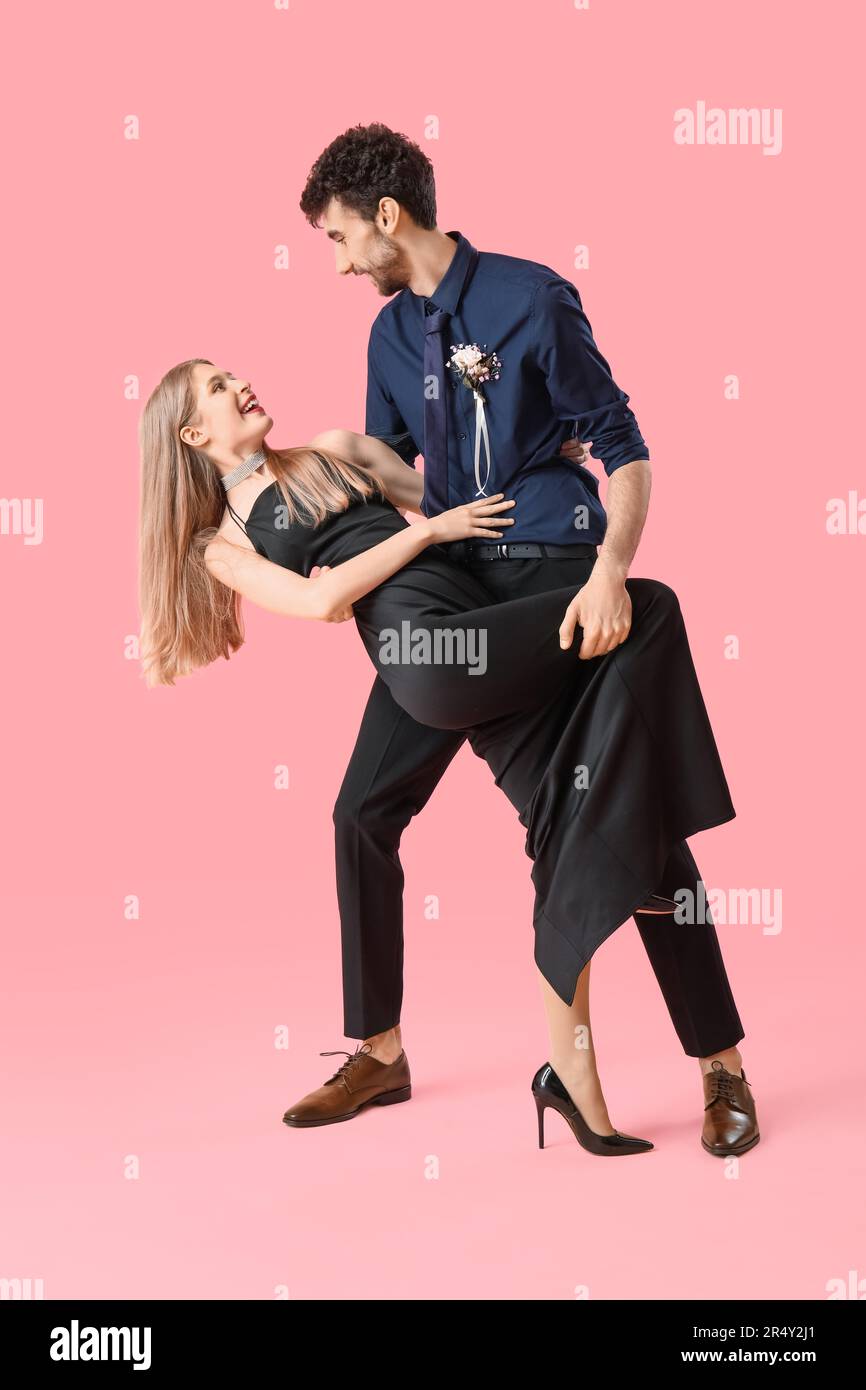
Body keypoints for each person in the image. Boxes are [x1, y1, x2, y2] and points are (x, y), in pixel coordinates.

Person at [137, 359, 760, 1159]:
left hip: (479, 629)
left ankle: (721, 1068)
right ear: (193, 434)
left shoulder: (332, 449)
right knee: (369, 812)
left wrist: (545, 456)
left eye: (233, 373)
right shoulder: (221, 543)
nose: (240, 384)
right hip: (421, 652)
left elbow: (455, 484)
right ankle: (379, 1055)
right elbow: (324, 601)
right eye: (218, 388)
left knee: (622, 832)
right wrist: (425, 534)